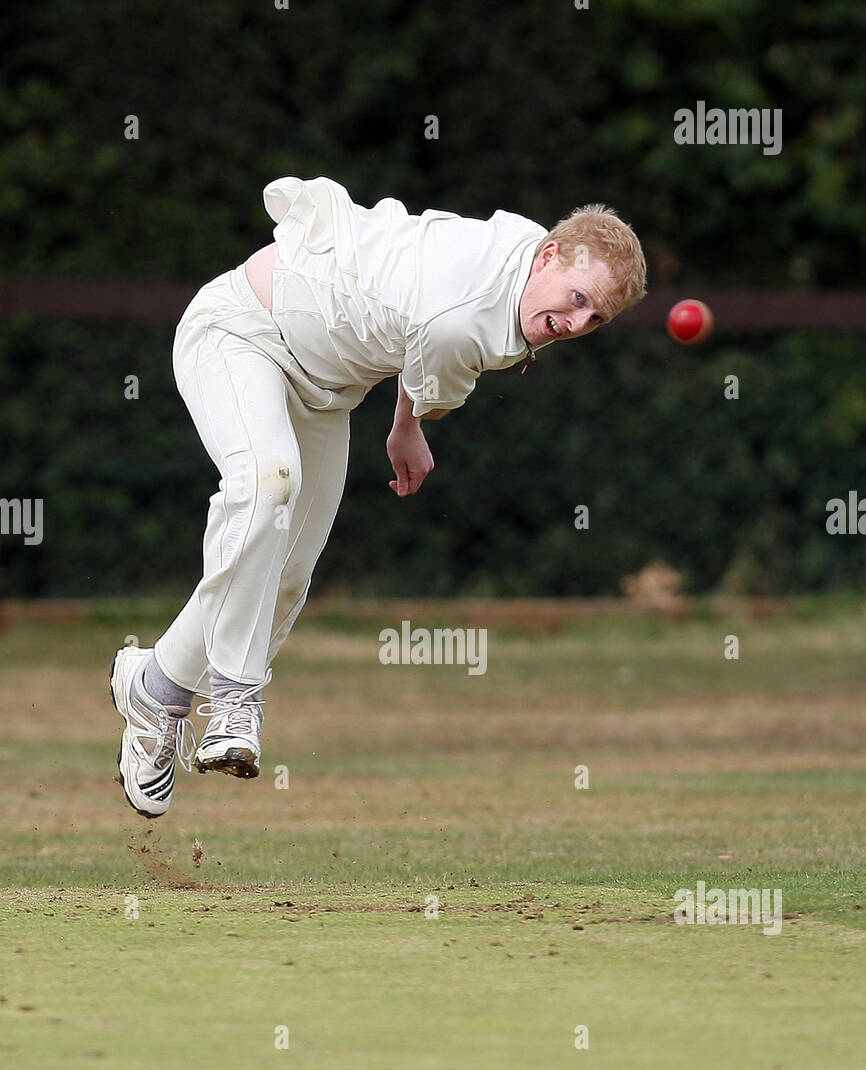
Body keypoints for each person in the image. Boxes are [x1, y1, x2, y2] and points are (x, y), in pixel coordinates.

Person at [111, 175, 646, 817]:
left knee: (284, 574)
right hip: (239, 333)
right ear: (550, 257)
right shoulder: (470, 319)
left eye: (597, 319)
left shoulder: (526, 256)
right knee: (267, 484)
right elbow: (443, 336)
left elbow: (421, 341)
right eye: (579, 300)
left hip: (326, 394)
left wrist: (404, 426)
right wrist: (410, 426)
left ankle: (156, 687)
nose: (577, 323)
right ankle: (232, 698)